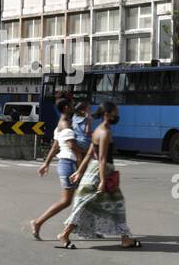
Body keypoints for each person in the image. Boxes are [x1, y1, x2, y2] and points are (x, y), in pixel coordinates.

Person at [57, 101, 141, 250]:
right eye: (116, 113)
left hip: (95, 171)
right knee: (87, 204)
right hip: (100, 173)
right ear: (107, 114)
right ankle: (65, 233)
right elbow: (101, 158)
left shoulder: (98, 130)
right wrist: (102, 180)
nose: (118, 116)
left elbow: (89, 154)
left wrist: (79, 171)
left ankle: (125, 238)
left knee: (111, 204)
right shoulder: (104, 132)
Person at [30, 98, 83, 239]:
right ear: (66, 107)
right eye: (71, 105)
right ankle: (37, 222)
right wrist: (81, 162)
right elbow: (72, 146)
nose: (73, 108)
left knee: (86, 196)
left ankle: (87, 227)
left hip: (64, 163)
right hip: (69, 163)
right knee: (67, 201)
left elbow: (55, 146)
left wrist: (46, 163)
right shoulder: (66, 125)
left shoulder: (59, 125)